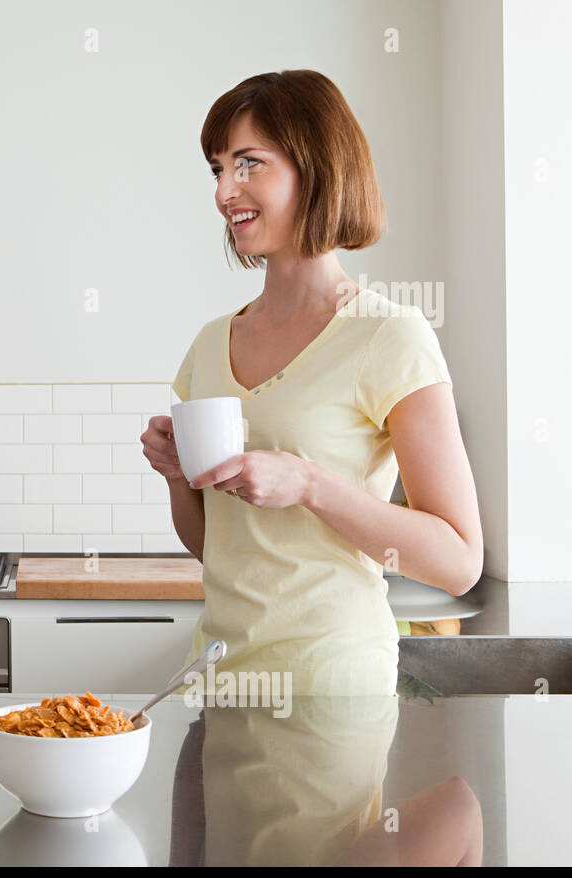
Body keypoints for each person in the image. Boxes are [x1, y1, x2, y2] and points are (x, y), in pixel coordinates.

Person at [140, 70, 483, 696]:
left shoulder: (388, 335)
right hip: (216, 682)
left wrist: (309, 484)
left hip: (332, 693)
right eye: (217, 169)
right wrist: (174, 475)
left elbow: (458, 562)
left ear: (316, 169)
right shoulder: (211, 343)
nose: (223, 191)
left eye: (248, 164)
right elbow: (218, 546)